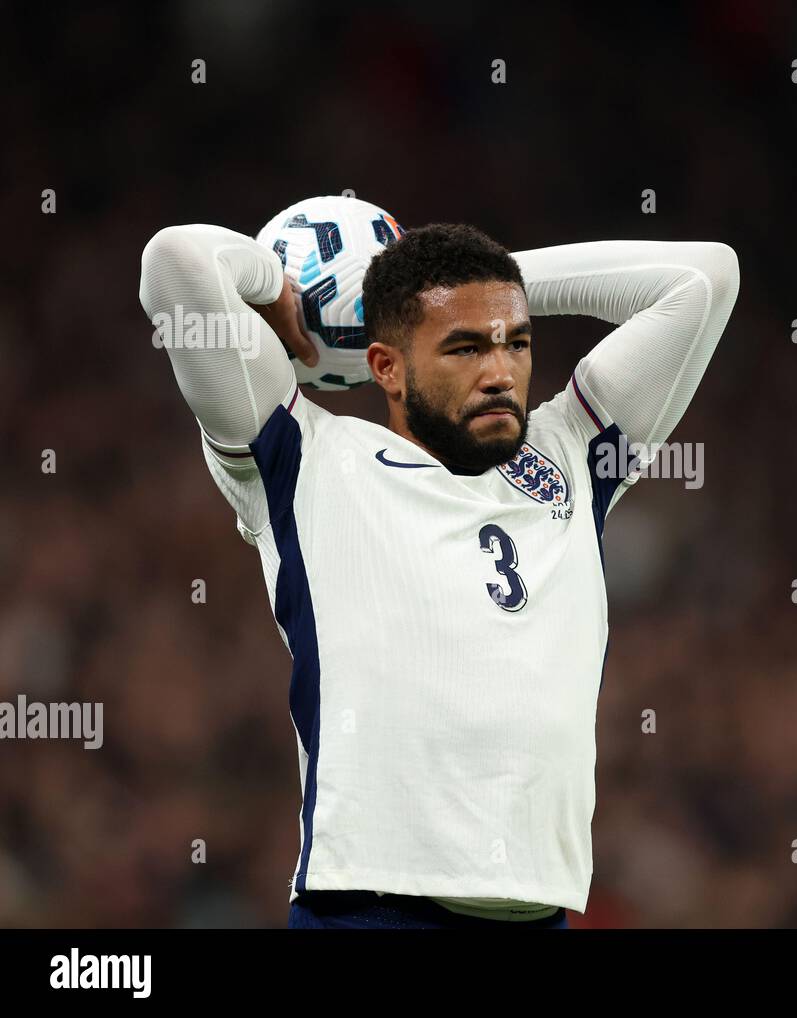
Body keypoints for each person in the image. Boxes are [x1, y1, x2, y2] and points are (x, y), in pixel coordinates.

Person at [138, 210, 739, 928]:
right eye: (462, 348)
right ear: (387, 365)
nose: (499, 371)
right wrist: (281, 289)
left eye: (515, 342)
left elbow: (705, 278)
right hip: (372, 911)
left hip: (536, 912)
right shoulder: (307, 462)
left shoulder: (573, 453)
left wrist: (456, 286)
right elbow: (176, 262)